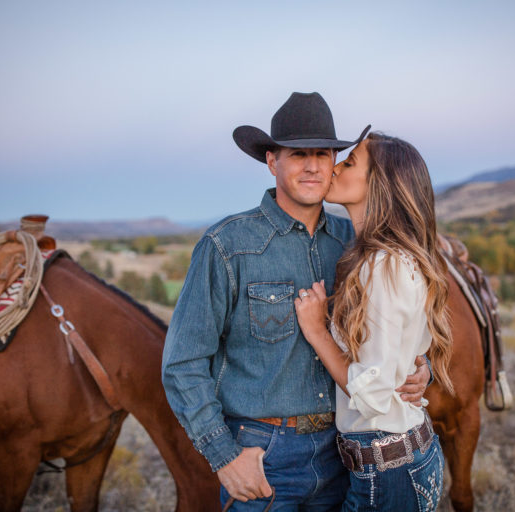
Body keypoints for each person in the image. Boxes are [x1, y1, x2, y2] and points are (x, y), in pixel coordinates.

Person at [161, 92, 431, 510]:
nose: (312, 166)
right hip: (263, 455)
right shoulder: (227, 246)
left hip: (344, 454)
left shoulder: (354, 244)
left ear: (334, 162)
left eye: (322, 154)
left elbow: (390, 326)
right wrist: (224, 456)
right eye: (297, 153)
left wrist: (416, 367)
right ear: (272, 161)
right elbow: (183, 363)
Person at [294, 132, 454, 511]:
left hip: (388, 473)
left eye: (348, 164)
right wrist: (422, 368)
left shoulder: (384, 265)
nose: (334, 168)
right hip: (392, 465)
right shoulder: (384, 258)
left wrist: (317, 332)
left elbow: (373, 392)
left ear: (378, 184)